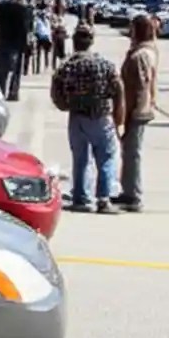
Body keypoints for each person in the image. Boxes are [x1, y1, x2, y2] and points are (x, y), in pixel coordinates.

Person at [51, 25, 125, 214]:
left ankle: (81, 199)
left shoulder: (67, 66)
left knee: (80, 159)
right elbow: (118, 89)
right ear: (91, 42)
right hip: (101, 116)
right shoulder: (104, 64)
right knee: (106, 158)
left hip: (77, 117)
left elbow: (56, 90)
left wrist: (65, 105)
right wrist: (118, 116)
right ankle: (103, 199)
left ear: (74, 42)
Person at [114, 14, 158, 213]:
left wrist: (129, 112)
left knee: (133, 153)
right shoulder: (145, 51)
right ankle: (128, 190)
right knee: (129, 152)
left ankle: (134, 195)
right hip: (138, 107)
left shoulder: (141, 55)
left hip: (137, 110)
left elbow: (141, 86)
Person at [0, 0, 32, 100]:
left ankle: (0, 91)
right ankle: (13, 93)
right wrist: (26, 46)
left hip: (2, 41)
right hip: (17, 44)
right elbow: (25, 29)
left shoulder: (1, 7)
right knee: (16, 71)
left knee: (1, 69)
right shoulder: (25, 10)